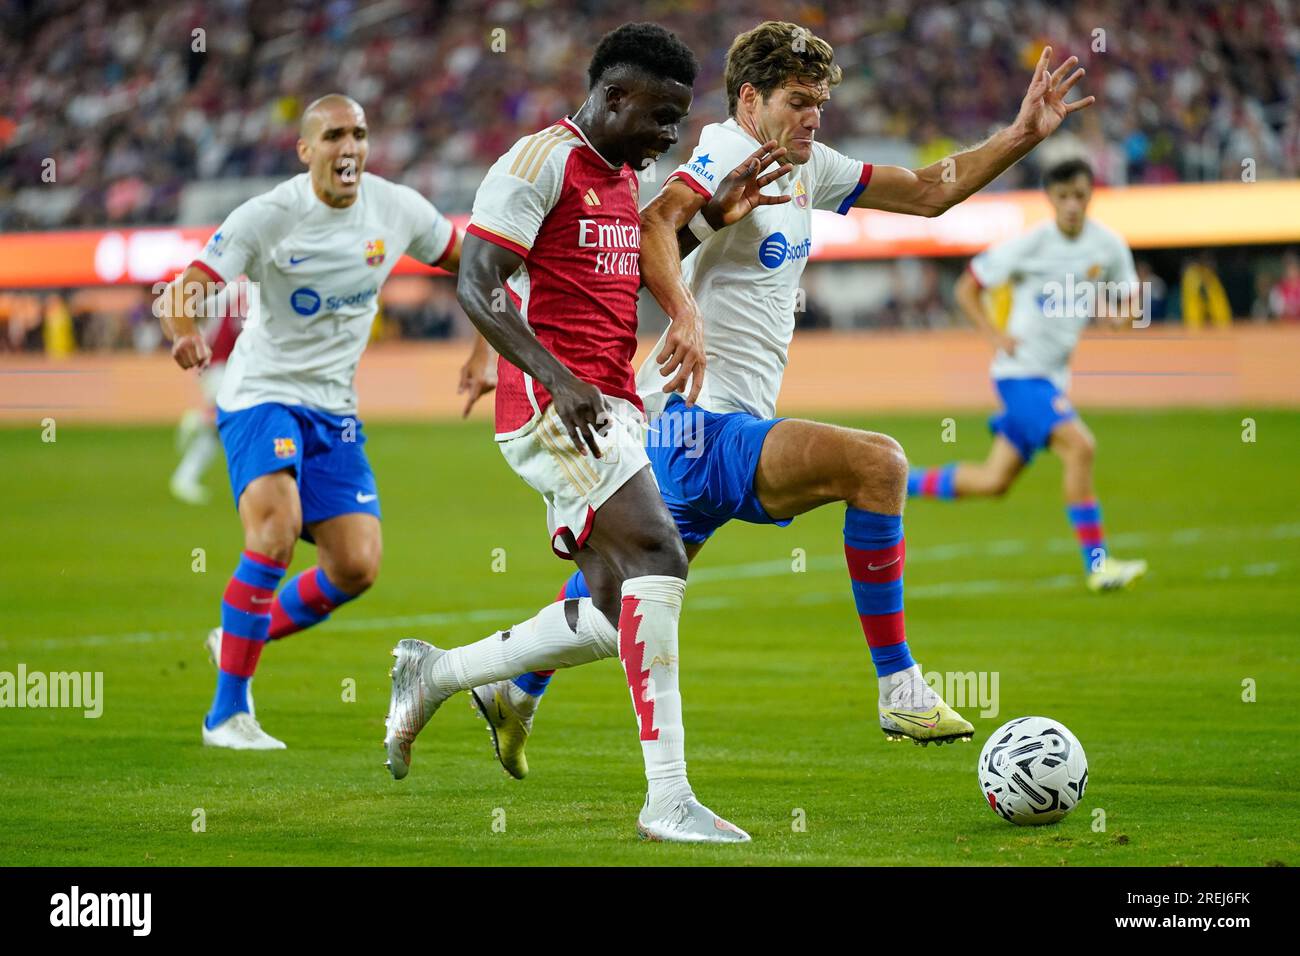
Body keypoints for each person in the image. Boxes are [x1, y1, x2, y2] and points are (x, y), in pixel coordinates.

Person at [459, 21, 1094, 780]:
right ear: (752, 99)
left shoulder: (809, 165)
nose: (813, 117)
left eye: (820, 102)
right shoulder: (727, 149)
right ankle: (899, 687)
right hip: (695, 422)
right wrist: (686, 317)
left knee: (614, 597)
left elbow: (930, 192)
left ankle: (509, 685)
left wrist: (1022, 135)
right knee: (876, 464)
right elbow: (657, 220)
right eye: (798, 101)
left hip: (711, 428)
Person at [382, 22, 790, 844]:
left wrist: (710, 219)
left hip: (608, 402)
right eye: (662, 113)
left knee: (613, 612)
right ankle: (668, 798)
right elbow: (478, 281)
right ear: (611, 96)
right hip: (553, 404)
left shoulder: (619, 177)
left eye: (680, 115)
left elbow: (623, 266)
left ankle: (439, 674)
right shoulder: (539, 163)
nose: (671, 133)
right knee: (660, 553)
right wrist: (557, 378)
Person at [160, 93, 460, 749]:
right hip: (261, 392)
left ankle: (239, 633)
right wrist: (183, 332)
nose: (348, 147)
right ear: (306, 150)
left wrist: (490, 346)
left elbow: (474, 265)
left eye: (358, 134)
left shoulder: (398, 208)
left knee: (356, 565)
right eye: (332, 136)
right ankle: (227, 715)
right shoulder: (270, 215)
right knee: (275, 530)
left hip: (334, 408)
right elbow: (186, 288)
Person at [908, 157, 1148, 592]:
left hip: (1052, 380)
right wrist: (993, 335)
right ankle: (1098, 564)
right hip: (1020, 376)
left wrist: (1122, 316)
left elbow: (1131, 300)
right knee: (1080, 447)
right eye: (1063, 197)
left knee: (993, 481)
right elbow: (968, 286)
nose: (1072, 205)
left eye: (1079, 195)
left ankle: (899, 482)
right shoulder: (1030, 245)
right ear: (1050, 199)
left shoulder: (1108, 246)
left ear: (1091, 194)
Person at [170, 306, 241, 506]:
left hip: (219, 365)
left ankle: (184, 478)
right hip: (220, 366)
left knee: (215, 435)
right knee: (228, 415)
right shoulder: (239, 295)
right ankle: (196, 419)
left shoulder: (230, 295)